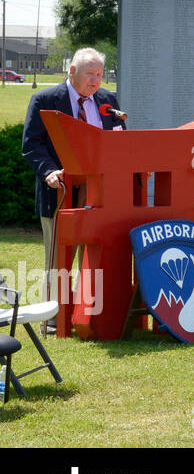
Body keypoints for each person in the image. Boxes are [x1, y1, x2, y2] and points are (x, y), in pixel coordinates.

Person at [21, 48, 125, 327]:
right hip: (59, 191)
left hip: (98, 191)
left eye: (100, 74)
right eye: (90, 74)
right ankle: (54, 318)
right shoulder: (45, 100)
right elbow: (31, 145)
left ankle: (88, 313)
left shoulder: (108, 101)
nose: (95, 80)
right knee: (57, 260)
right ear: (71, 71)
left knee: (93, 253)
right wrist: (49, 172)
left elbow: (119, 141)